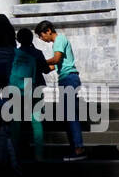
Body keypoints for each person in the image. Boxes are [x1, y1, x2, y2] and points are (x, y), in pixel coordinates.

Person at [35, 19, 87, 161]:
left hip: (69, 79)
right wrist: (42, 68)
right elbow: (55, 65)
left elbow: (56, 59)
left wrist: (39, 61)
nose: (41, 39)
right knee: (68, 115)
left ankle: (78, 148)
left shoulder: (59, 40)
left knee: (70, 115)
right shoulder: (59, 42)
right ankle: (76, 147)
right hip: (67, 78)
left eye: (41, 35)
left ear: (48, 31)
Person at [9, 27, 50, 162]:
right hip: (34, 89)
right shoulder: (37, 53)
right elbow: (45, 70)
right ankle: (39, 155)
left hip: (17, 90)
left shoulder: (14, 54)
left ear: (18, 40)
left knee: (16, 122)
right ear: (31, 39)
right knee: (37, 122)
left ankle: (14, 154)